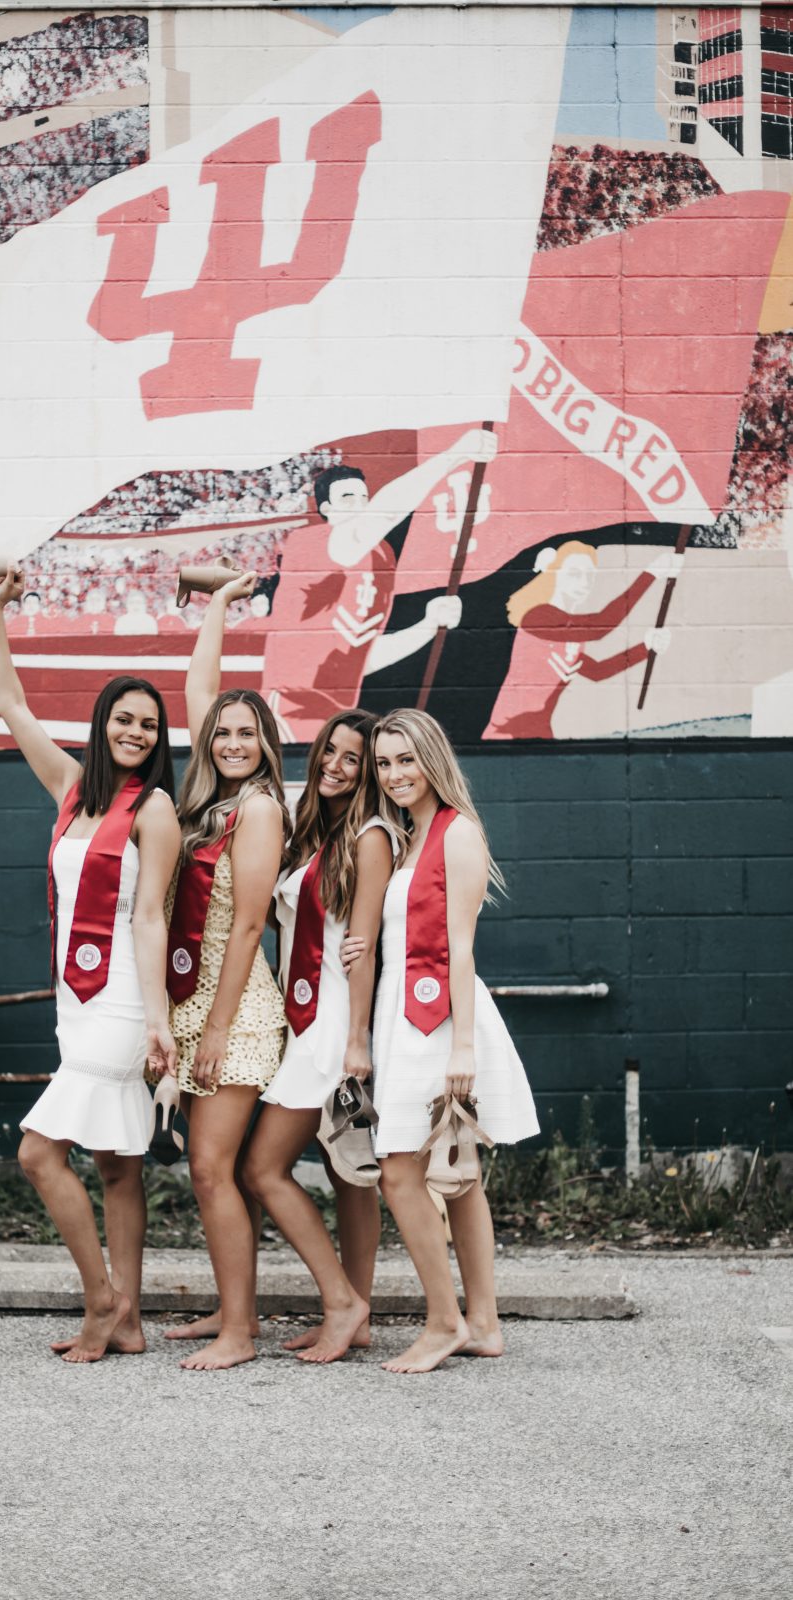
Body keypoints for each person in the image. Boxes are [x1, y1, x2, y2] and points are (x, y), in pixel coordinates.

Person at [0, 567, 182, 1362]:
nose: (134, 732)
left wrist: (160, 1023)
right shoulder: (70, 788)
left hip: (122, 1001)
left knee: (39, 1150)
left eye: (148, 724)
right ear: (102, 724)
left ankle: (102, 1301)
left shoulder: (155, 809)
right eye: (123, 719)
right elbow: (11, 705)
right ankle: (129, 1318)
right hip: (75, 997)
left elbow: (151, 914)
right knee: (115, 1161)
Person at [353, 708, 538, 1373]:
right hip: (405, 1016)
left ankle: (442, 1323)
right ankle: (482, 1322)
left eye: (406, 759)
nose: (395, 773)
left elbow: (460, 947)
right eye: (384, 763)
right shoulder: (408, 836)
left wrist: (462, 1050)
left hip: (437, 1024)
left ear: (432, 759)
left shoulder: (457, 833)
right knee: (460, 1182)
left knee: (401, 1170)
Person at [240, 695, 396, 1363]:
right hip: (302, 1020)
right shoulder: (315, 832)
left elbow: (361, 948)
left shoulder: (369, 838)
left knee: (262, 1168)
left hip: (334, 1026)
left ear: (368, 773)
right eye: (329, 750)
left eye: (350, 759)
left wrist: (356, 1042)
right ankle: (353, 1315)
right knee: (345, 1173)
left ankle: (341, 1301)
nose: (333, 765)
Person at [164, 577, 289, 1370]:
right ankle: (227, 1307)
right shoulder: (207, 799)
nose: (231, 743)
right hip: (194, 1000)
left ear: (265, 741)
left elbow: (248, 924)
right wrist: (219, 604)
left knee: (214, 1167)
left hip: (234, 1011)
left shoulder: (261, 809)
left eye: (246, 734)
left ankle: (242, 1332)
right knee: (209, 1172)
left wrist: (213, 1027)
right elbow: (198, 690)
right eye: (223, 734)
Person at [260, 432, 495, 741]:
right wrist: (454, 454)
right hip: (289, 710)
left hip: (337, 719)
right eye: (347, 499)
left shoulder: (379, 558)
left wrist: (428, 625)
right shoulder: (311, 545)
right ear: (326, 509)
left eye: (363, 499)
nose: (359, 506)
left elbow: (363, 658)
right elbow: (381, 515)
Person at [483, 543, 679, 739]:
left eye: (590, 576)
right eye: (575, 574)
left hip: (539, 731)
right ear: (555, 573)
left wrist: (645, 647)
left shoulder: (570, 636)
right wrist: (651, 574)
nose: (584, 583)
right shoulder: (538, 617)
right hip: (507, 733)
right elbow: (602, 625)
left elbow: (597, 671)